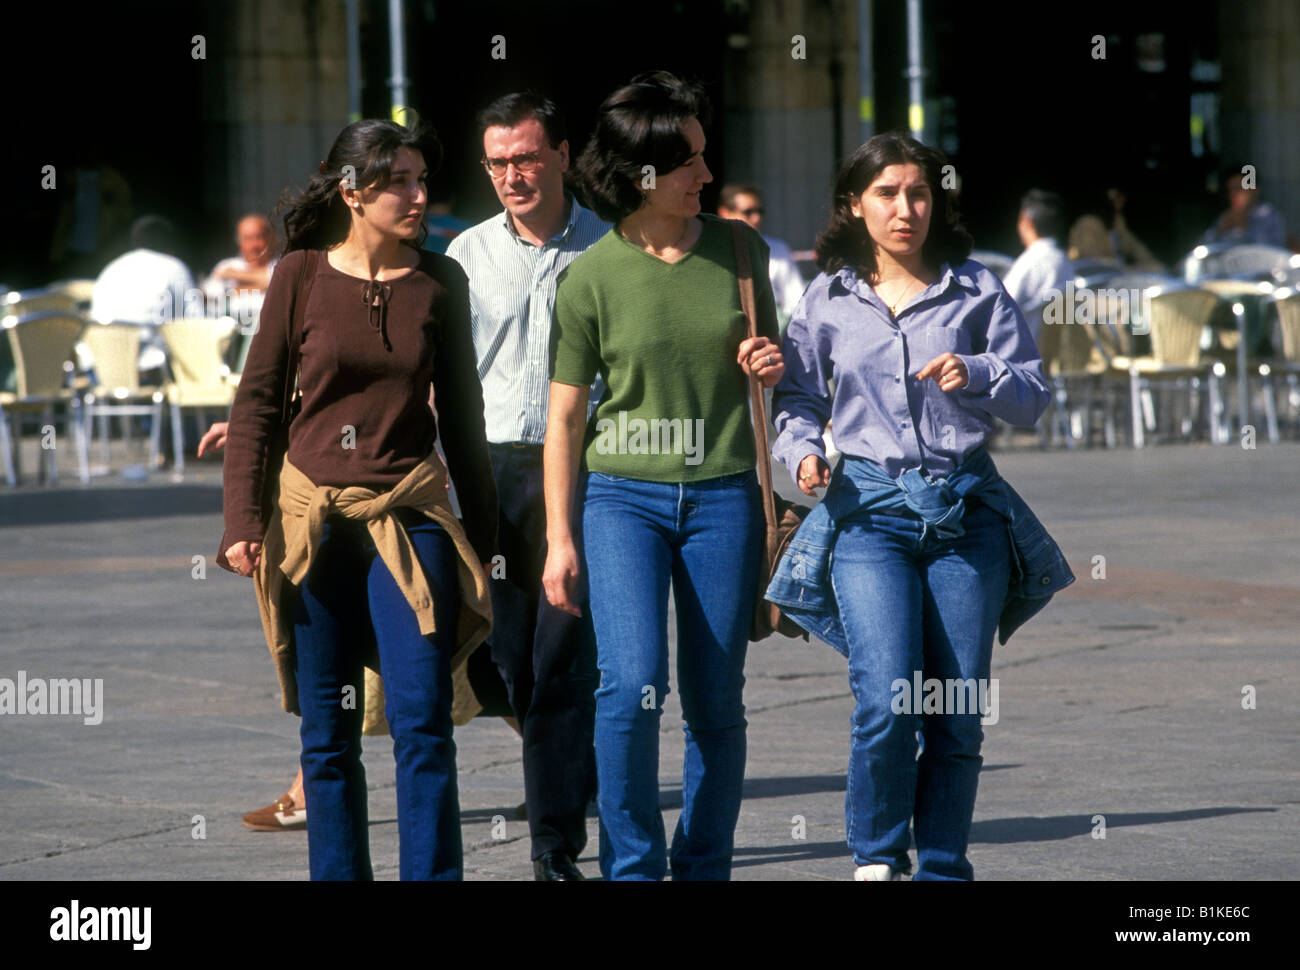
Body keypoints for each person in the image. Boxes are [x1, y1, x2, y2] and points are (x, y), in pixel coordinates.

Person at [765, 132, 1072, 881]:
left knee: (957, 713)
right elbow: (797, 399)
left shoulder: (976, 290)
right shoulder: (828, 297)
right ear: (853, 205)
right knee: (886, 700)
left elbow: (1034, 396)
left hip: (966, 517)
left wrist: (977, 369)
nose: (906, 208)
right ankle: (875, 856)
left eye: (920, 192)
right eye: (888, 193)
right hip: (869, 515)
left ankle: (940, 866)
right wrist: (801, 452)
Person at [218, 118, 498, 880]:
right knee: (328, 734)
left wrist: (489, 533)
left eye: (421, 179)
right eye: (398, 181)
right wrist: (243, 522)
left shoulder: (442, 281)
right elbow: (259, 406)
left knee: (424, 723)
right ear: (352, 192)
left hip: (409, 519)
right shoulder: (300, 274)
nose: (417, 196)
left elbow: (463, 417)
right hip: (312, 525)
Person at [542, 71, 783, 881]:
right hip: (621, 501)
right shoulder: (589, 279)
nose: (705, 176)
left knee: (716, 702)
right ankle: (635, 869)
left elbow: (784, 374)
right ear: (640, 173)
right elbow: (566, 420)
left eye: (705, 157)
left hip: (725, 498)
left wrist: (769, 362)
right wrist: (556, 540)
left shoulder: (743, 254)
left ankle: (704, 863)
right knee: (631, 685)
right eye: (687, 162)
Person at [446, 92, 609, 880]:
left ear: (563, 156)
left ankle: (554, 847)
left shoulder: (610, 250)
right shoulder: (464, 258)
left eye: (527, 158)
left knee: (561, 658)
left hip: (585, 470)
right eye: (498, 162)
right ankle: (577, 767)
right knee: (500, 660)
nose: (512, 175)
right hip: (494, 474)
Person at [90, 215, 194, 373]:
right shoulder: (173, 267)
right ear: (169, 245)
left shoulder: (112, 267)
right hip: (146, 366)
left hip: (99, 364)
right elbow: (197, 320)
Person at [718, 183, 806, 332]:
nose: (756, 218)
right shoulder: (714, 250)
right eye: (748, 212)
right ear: (725, 212)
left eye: (760, 211)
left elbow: (796, 300)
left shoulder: (777, 248)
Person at [1002, 189, 1071, 341]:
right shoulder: (1064, 260)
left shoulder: (1030, 262)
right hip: (1052, 351)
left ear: (1026, 222)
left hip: (1024, 352)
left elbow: (1000, 308)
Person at [1200, 168, 1289, 249]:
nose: (1233, 194)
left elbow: (1269, 249)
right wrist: (1220, 229)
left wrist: (1243, 226)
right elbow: (1200, 249)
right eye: (1230, 190)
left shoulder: (1268, 215)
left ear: (1255, 190)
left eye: (1239, 188)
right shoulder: (1226, 217)